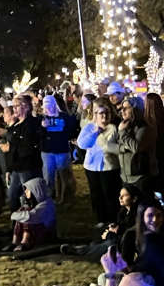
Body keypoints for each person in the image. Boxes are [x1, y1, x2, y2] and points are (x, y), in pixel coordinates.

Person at [78, 97, 123, 226]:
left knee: (109, 193)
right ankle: (101, 218)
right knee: (96, 193)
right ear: (95, 115)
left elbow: (110, 146)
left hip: (108, 167)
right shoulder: (89, 128)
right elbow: (82, 144)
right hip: (92, 166)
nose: (103, 115)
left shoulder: (113, 128)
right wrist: (95, 133)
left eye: (106, 113)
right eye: (100, 113)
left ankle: (112, 218)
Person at [2, 94, 43, 212]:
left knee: (30, 197)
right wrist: (9, 168)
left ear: (25, 107)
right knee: (12, 195)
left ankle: (32, 224)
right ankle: (17, 223)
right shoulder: (16, 125)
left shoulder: (31, 124)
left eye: (17, 105)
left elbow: (29, 147)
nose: (13, 108)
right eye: (13, 105)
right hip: (16, 167)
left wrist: (10, 149)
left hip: (28, 167)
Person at [40, 94, 79, 204]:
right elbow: (37, 135)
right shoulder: (41, 118)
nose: (47, 108)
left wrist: (68, 137)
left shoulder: (64, 117)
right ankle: (49, 200)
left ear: (54, 105)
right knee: (48, 178)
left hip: (61, 151)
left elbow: (73, 126)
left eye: (49, 105)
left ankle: (66, 199)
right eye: (45, 106)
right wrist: (42, 128)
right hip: (47, 152)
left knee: (64, 176)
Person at [7, 177, 56, 251]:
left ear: (35, 190)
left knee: (27, 216)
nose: (26, 191)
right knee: (22, 211)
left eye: (28, 189)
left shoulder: (46, 204)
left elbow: (30, 216)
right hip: (38, 232)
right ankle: (15, 241)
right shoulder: (39, 203)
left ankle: (25, 241)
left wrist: (14, 215)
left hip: (45, 235)